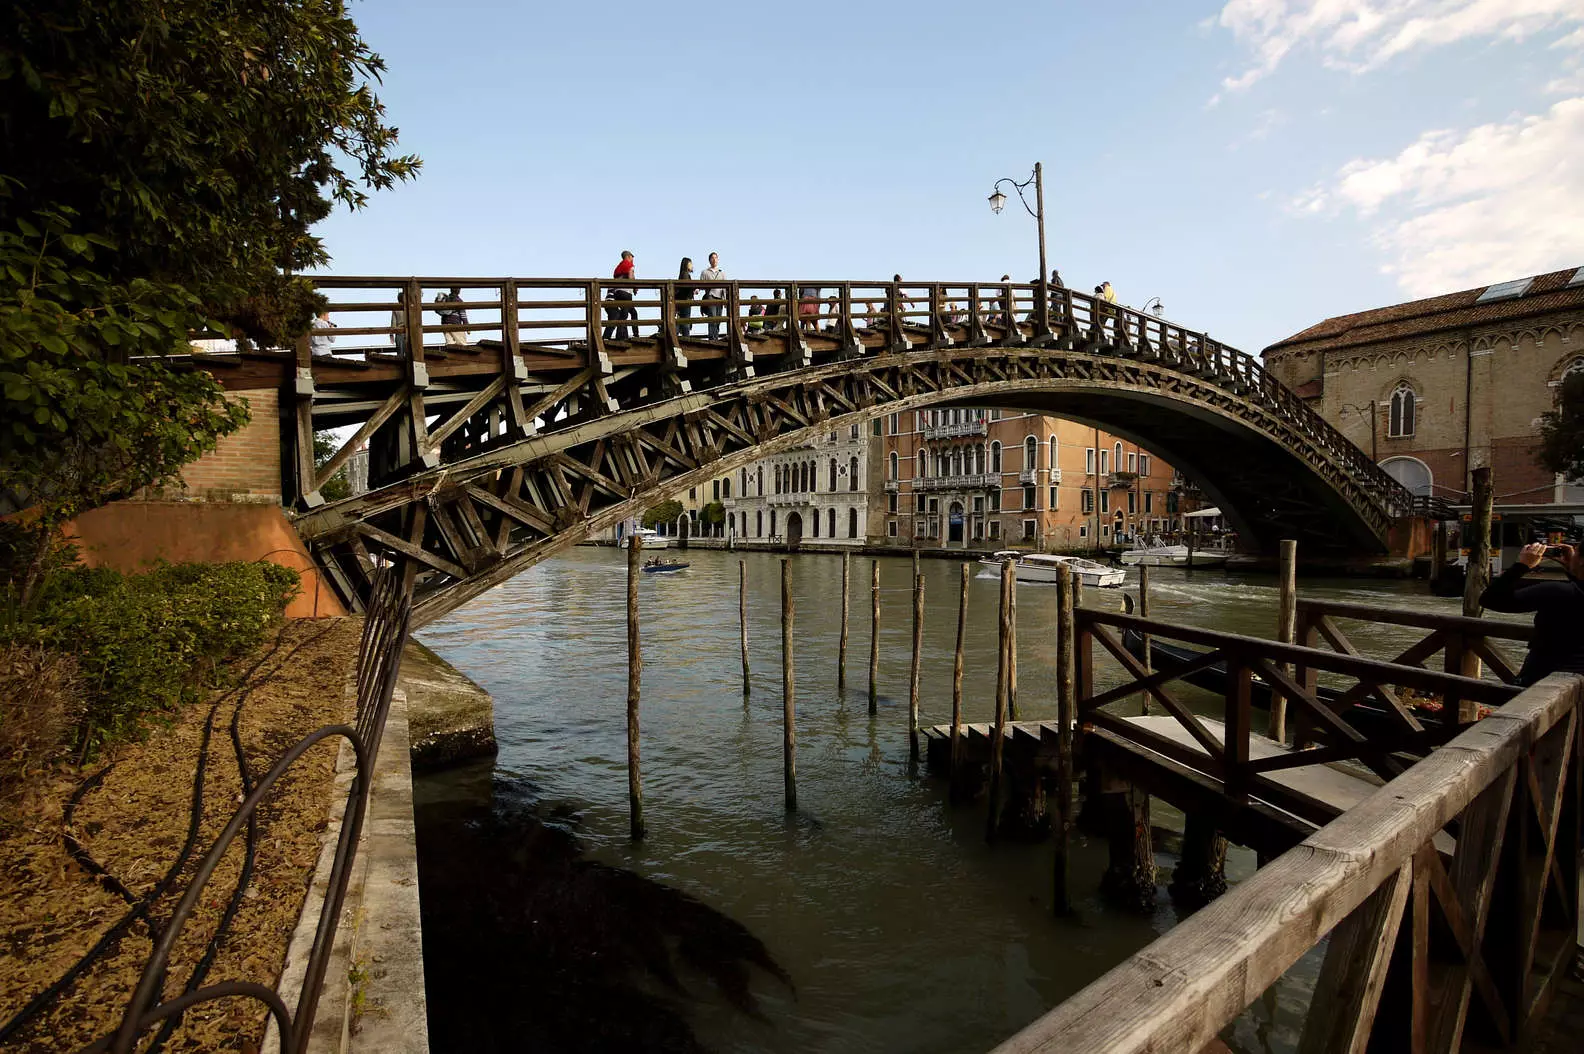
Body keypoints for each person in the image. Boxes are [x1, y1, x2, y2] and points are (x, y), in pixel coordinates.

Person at [1479, 542, 1584, 685]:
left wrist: (1522, 566)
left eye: (1577, 553)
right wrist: (1574, 570)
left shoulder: (1557, 592)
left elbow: (1490, 599)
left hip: (1546, 679)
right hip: (1576, 683)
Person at [603, 251, 636, 342]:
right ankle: (622, 336)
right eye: (632, 257)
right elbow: (630, 276)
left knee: (622, 315)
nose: (633, 259)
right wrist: (635, 286)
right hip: (624, 294)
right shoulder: (629, 265)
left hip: (616, 295)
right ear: (628, 257)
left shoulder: (618, 268)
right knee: (625, 315)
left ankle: (620, 335)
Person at [700, 252, 726, 340]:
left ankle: (716, 336)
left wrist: (725, 299)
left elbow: (725, 288)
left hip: (720, 298)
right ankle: (712, 338)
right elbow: (700, 285)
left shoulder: (722, 273)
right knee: (712, 317)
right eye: (712, 258)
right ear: (709, 260)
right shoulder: (705, 272)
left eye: (716, 258)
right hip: (710, 296)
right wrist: (697, 289)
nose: (714, 259)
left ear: (718, 260)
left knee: (718, 319)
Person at [675, 257, 695, 338]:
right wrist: (693, 288)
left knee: (683, 321)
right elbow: (686, 288)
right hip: (685, 301)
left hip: (682, 300)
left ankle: (682, 337)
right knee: (686, 321)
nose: (692, 265)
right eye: (690, 263)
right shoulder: (685, 274)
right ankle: (686, 339)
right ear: (686, 264)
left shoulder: (683, 274)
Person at [391, 289, 408, 356]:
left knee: (400, 353)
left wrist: (391, 334)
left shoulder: (395, 308)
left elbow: (393, 323)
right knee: (409, 353)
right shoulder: (409, 307)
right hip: (408, 331)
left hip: (399, 332)